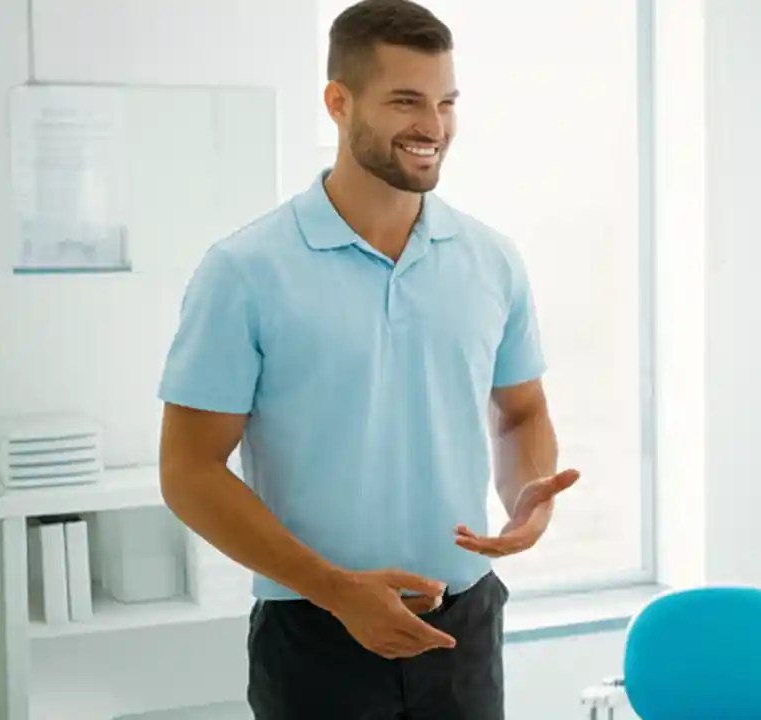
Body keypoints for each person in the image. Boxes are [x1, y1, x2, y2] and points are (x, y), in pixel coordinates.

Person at [156, 1, 577, 718]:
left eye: (446, 102)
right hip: (316, 635)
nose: (434, 127)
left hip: (464, 630)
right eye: (406, 101)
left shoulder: (491, 260)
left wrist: (525, 497)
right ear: (338, 103)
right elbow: (189, 472)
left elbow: (520, 412)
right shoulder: (245, 270)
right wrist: (336, 590)